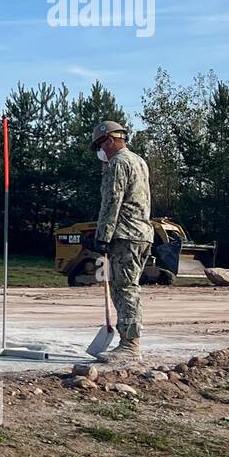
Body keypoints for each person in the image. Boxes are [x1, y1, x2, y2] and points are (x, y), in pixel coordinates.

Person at [89, 120, 152, 364]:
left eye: (99, 145)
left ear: (110, 140)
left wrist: (102, 237)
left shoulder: (117, 163)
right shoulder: (139, 161)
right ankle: (129, 341)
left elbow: (112, 203)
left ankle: (130, 345)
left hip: (125, 235)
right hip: (141, 232)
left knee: (125, 289)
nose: (99, 151)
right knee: (129, 287)